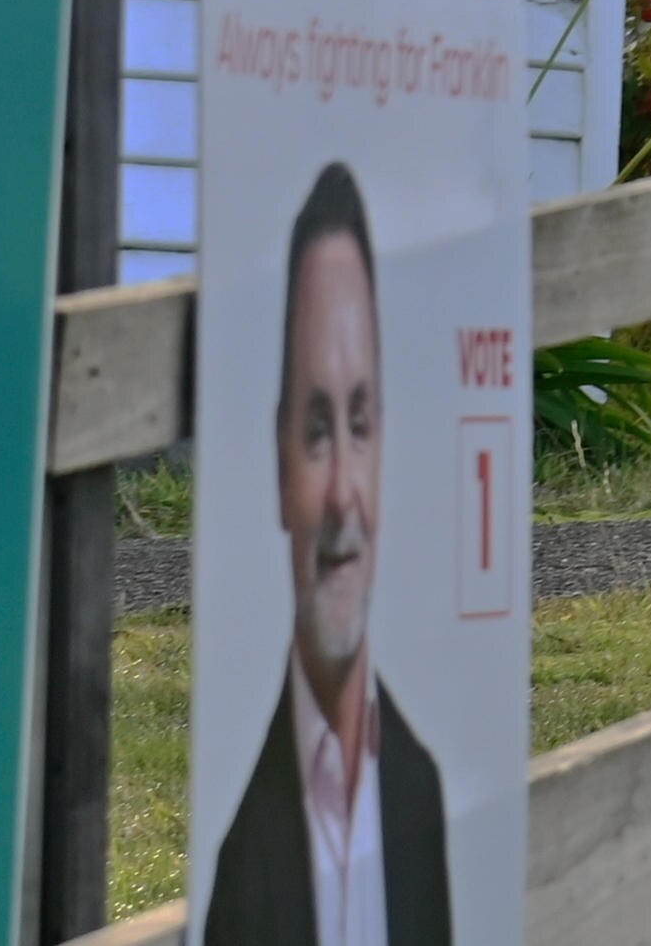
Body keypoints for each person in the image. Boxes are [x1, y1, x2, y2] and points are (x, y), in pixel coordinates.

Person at [204, 164, 451, 944]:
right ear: (279, 466)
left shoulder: (424, 789)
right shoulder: (239, 853)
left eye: (360, 422)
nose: (345, 491)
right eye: (316, 431)